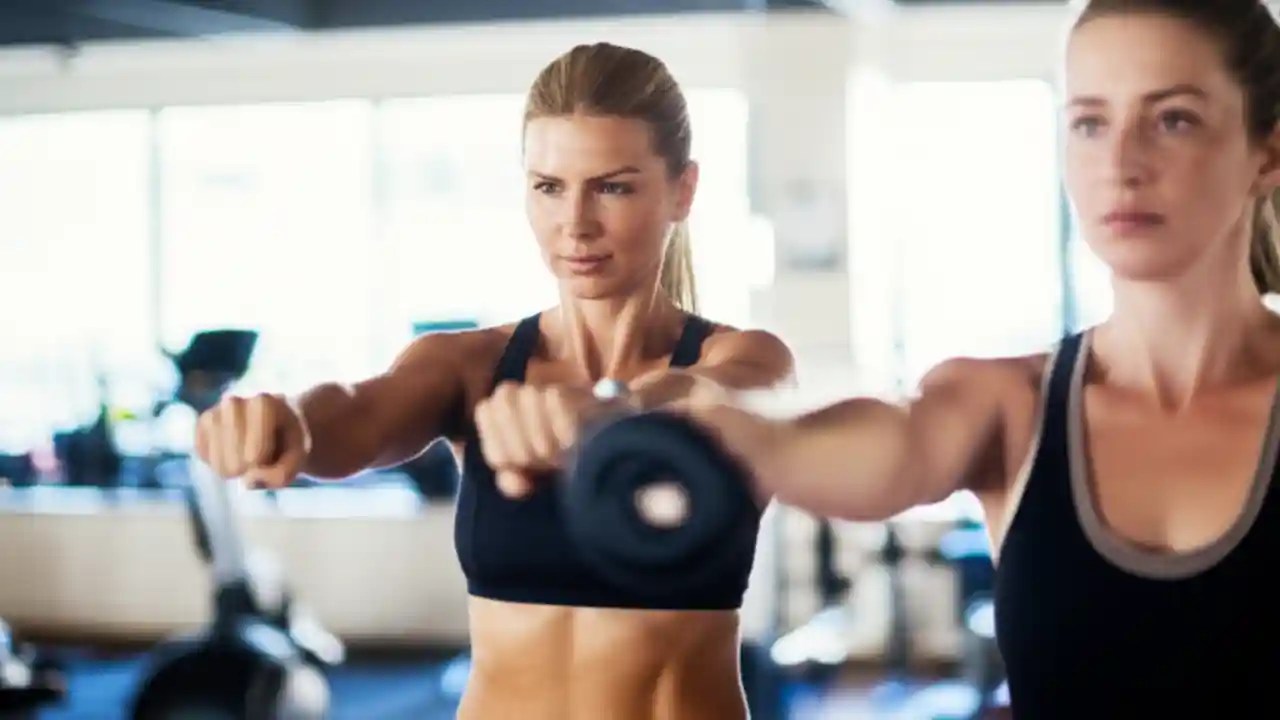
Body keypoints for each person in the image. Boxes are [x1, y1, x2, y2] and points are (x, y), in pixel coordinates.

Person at [682, 0, 1280, 714]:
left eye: (1173, 119)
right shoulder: (1009, 405)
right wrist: (699, 425)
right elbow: (877, 446)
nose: (1121, 164)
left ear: (1268, 154)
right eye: (1090, 122)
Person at [194, 42, 794, 720]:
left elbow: (721, 397)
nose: (575, 224)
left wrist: (612, 411)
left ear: (682, 191)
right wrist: (288, 424)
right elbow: (359, 413)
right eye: (549, 187)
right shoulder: (471, 367)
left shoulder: (745, 358)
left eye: (612, 187)